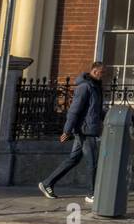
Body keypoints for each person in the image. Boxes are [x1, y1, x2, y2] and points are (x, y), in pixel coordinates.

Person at [38, 63, 105, 204]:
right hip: (85, 130)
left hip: (88, 128)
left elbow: (95, 110)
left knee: (73, 159)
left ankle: (47, 183)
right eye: (101, 72)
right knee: (92, 161)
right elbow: (74, 110)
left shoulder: (95, 87)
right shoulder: (85, 87)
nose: (102, 75)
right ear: (94, 71)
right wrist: (67, 130)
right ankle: (92, 194)